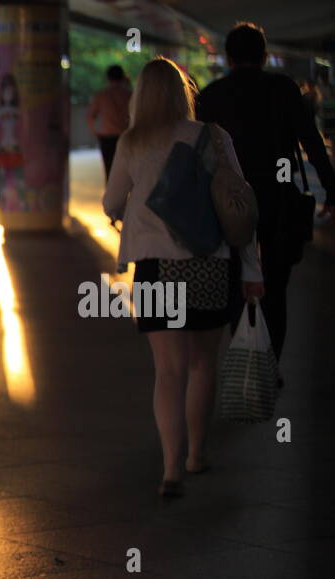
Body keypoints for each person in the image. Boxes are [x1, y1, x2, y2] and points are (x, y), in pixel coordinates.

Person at [102, 57, 263, 499]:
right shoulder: (212, 137)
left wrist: (128, 212)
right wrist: (252, 270)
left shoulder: (133, 141)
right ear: (183, 92)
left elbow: (111, 201)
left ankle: (171, 470)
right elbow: (240, 205)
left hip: (157, 268)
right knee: (201, 364)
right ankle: (197, 453)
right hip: (209, 262)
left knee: (167, 370)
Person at [197, 22, 335, 368]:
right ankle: (270, 365)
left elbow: (197, 155)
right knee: (275, 283)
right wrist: (332, 190)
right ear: (263, 55)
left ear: (228, 57)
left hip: (228, 203)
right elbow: (312, 144)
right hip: (279, 196)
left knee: (233, 283)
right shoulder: (284, 90)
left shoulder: (212, 95)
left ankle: (242, 357)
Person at [88, 65, 133, 181]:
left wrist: (96, 132)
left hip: (107, 138)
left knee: (109, 172)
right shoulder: (129, 95)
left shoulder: (102, 95)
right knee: (127, 173)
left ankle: (111, 197)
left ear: (108, 78)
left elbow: (90, 116)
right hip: (126, 136)